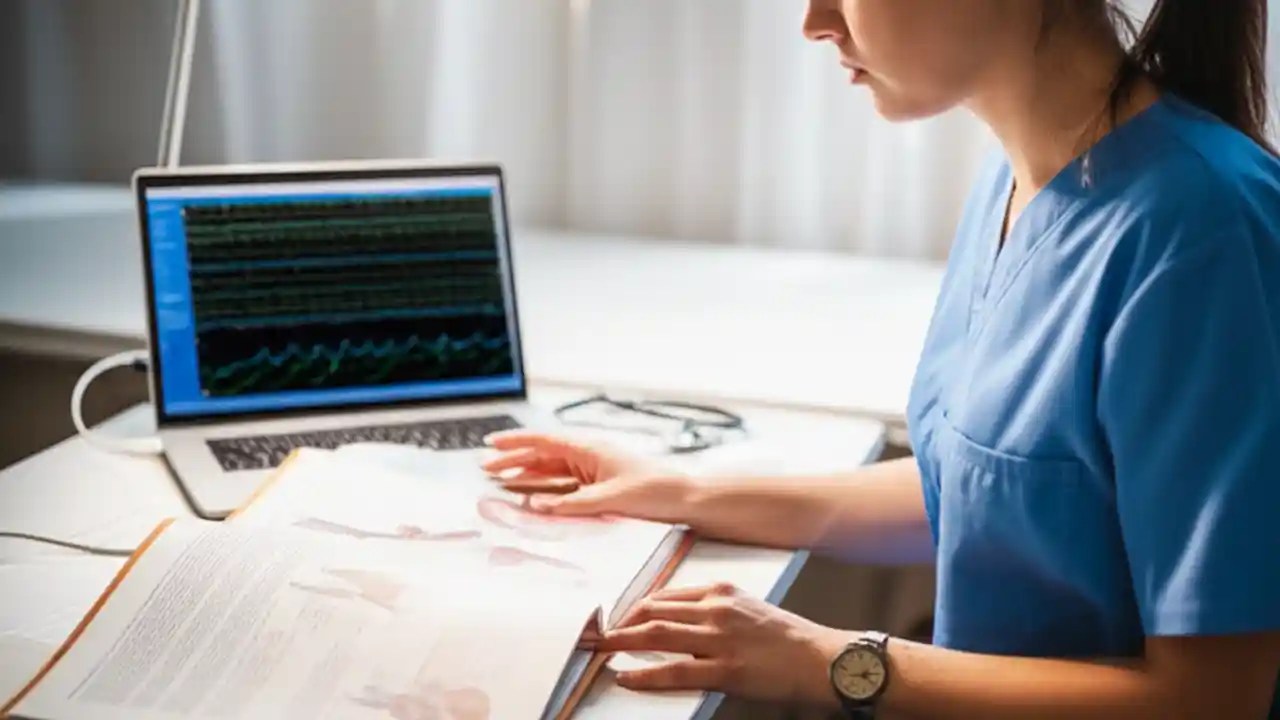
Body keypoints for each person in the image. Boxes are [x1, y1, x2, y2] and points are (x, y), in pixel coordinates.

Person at [482, 1, 1280, 717]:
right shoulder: (1022, 178)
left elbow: (1210, 697)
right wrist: (681, 490)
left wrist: (829, 662)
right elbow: (989, 493)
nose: (815, 20)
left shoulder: (1200, 233)